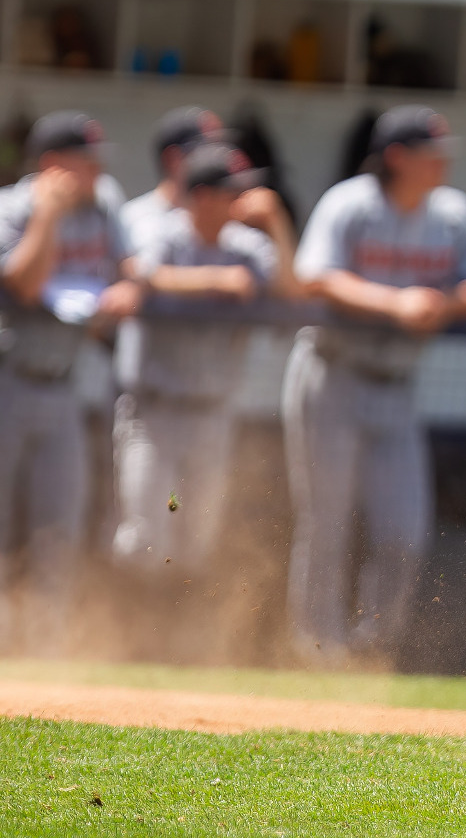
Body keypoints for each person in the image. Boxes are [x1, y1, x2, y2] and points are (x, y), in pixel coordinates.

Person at [284, 105, 466, 667]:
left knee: (405, 529)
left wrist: (445, 302)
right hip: (332, 374)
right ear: (398, 157)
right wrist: (395, 302)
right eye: (432, 155)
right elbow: (314, 277)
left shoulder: (451, 213)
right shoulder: (350, 202)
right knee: (326, 521)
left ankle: (371, 646)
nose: (443, 164)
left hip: (398, 385)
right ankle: (316, 647)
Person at [112, 143, 296, 579]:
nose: (241, 200)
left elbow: (294, 291)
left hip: (212, 415)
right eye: (229, 191)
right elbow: (140, 272)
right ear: (200, 196)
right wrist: (215, 279)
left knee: (196, 537)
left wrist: (278, 222)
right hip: (154, 413)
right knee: (145, 534)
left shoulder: (247, 245)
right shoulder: (165, 232)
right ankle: (123, 634)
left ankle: (176, 641)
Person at [0, 111, 143, 643]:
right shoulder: (13, 207)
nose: (96, 172)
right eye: (84, 162)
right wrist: (47, 216)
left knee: (59, 522)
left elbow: (133, 272)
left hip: (63, 385)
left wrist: (131, 288)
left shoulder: (104, 202)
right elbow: (28, 285)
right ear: (53, 165)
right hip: (8, 379)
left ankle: (47, 643)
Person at [119, 106, 225, 248]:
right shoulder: (133, 219)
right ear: (173, 159)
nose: (219, 161)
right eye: (207, 153)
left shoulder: (228, 219)